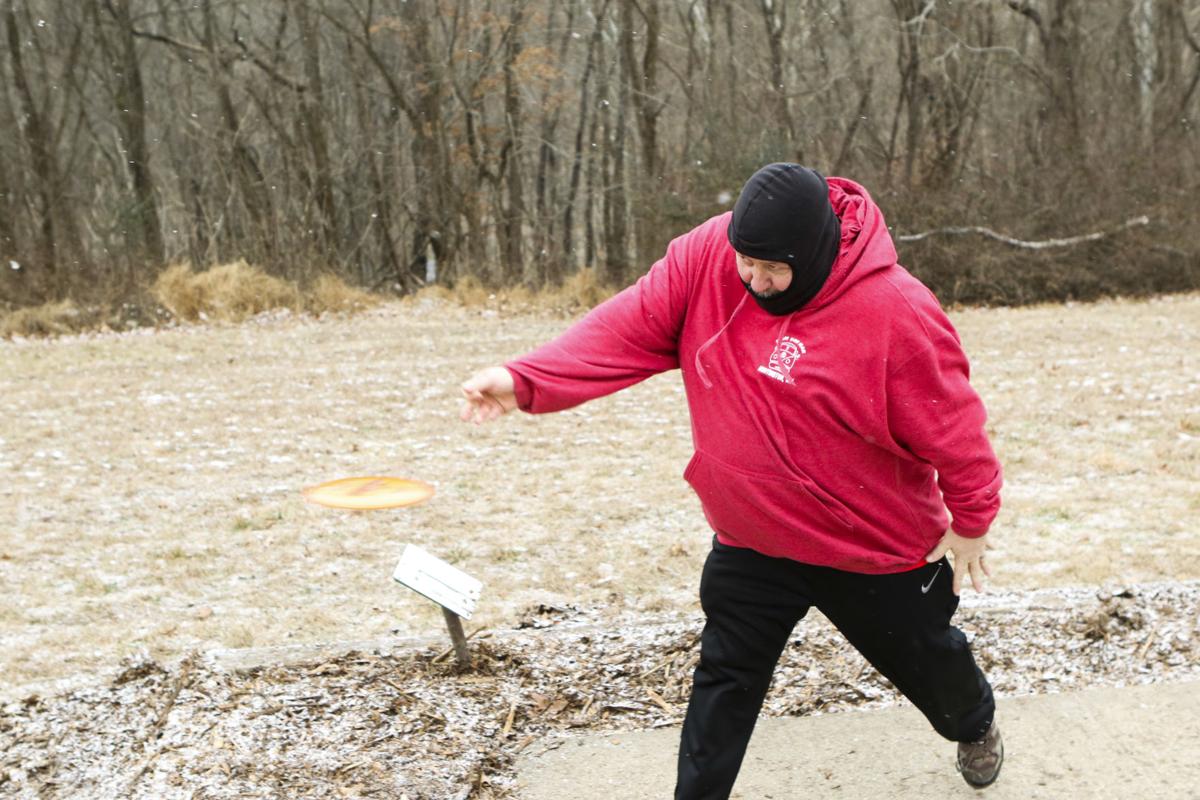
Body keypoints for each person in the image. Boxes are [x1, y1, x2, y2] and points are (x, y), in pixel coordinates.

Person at [459, 163, 1004, 797]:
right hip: (752, 538)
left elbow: (955, 429)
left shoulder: (896, 311)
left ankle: (974, 722)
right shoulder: (708, 260)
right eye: (746, 261)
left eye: (774, 269)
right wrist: (525, 380)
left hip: (869, 546)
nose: (754, 279)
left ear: (819, 251)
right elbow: (625, 326)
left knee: (930, 665)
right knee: (724, 680)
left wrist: (973, 523)